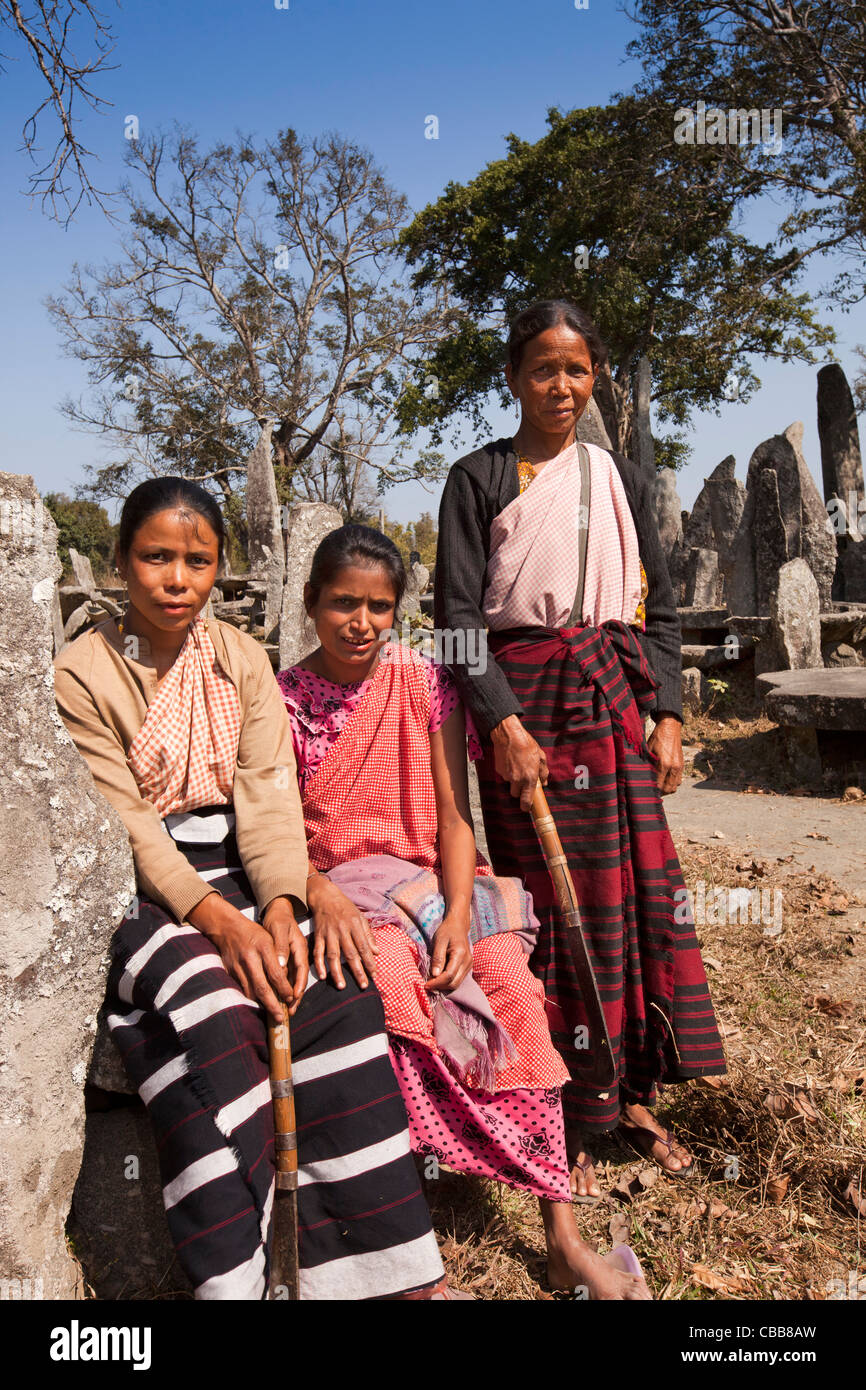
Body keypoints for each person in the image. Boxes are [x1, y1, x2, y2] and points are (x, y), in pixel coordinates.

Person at [53, 478, 448, 1301]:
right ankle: (238, 1278)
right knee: (223, 1016)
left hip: (242, 865)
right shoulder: (82, 672)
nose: (176, 579)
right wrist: (223, 930)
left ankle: (383, 1272)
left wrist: (277, 908)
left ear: (218, 569)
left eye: (197, 561)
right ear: (120, 562)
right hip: (139, 892)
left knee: (336, 987)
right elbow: (127, 824)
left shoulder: (237, 659)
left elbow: (268, 798)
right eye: (156, 557)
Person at [276, 524, 650, 1299]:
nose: (361, 622)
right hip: (346, 895)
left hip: (434, 880)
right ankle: (407, 1220)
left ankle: (563, 1235)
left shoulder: (421, 680)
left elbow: (453, 817)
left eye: (380, 606)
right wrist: (322, 895)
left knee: (509, 983)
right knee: (384, 979)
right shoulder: (282, 700)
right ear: (309, 602)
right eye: (343, 602)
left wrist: (453, 915)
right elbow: (279, 835)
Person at [434, 299, 726, 1203]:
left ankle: (632, 1098)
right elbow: (452, 625)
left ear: (593, 377)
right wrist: (502, 724)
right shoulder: (478, 479)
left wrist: (669, 713)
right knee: (550, 914)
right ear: (513, 377)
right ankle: (562, 1107)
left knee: (633, 904)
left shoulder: (622, 480)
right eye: (542, 369)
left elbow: (663, 609)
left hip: (609, 697)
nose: (561, 386)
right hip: (528, 713)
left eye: (577, 369)